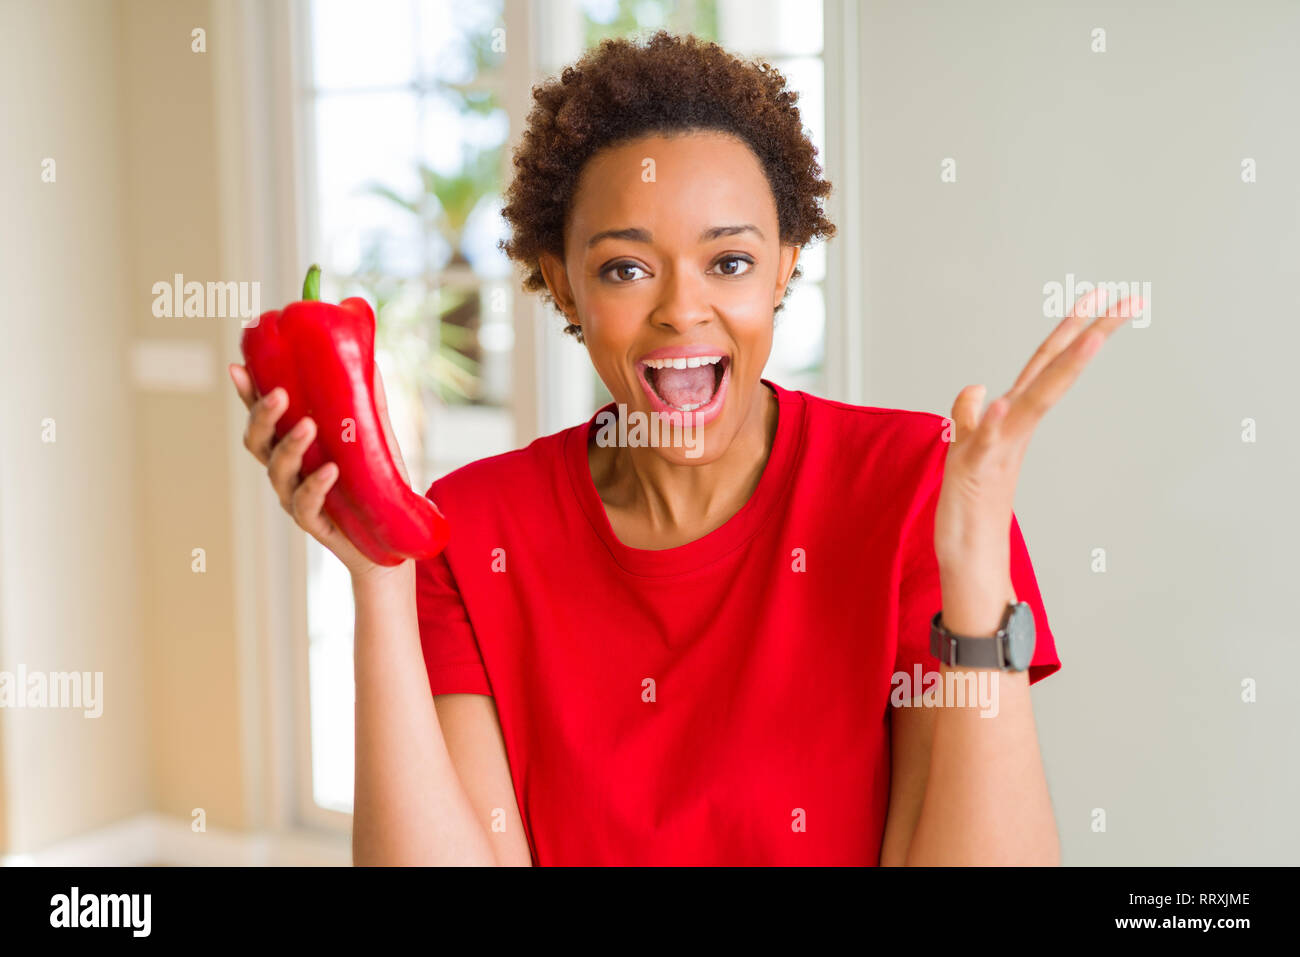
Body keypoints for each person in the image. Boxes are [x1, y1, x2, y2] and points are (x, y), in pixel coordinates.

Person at [230, 31, 1139, 866]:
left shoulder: (917, 490)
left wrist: (978, 573)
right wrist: (380, 582)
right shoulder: (469, 530)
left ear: (786, 264)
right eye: (626, 268)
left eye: (731, 261)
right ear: (564, 284)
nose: (681, 308)